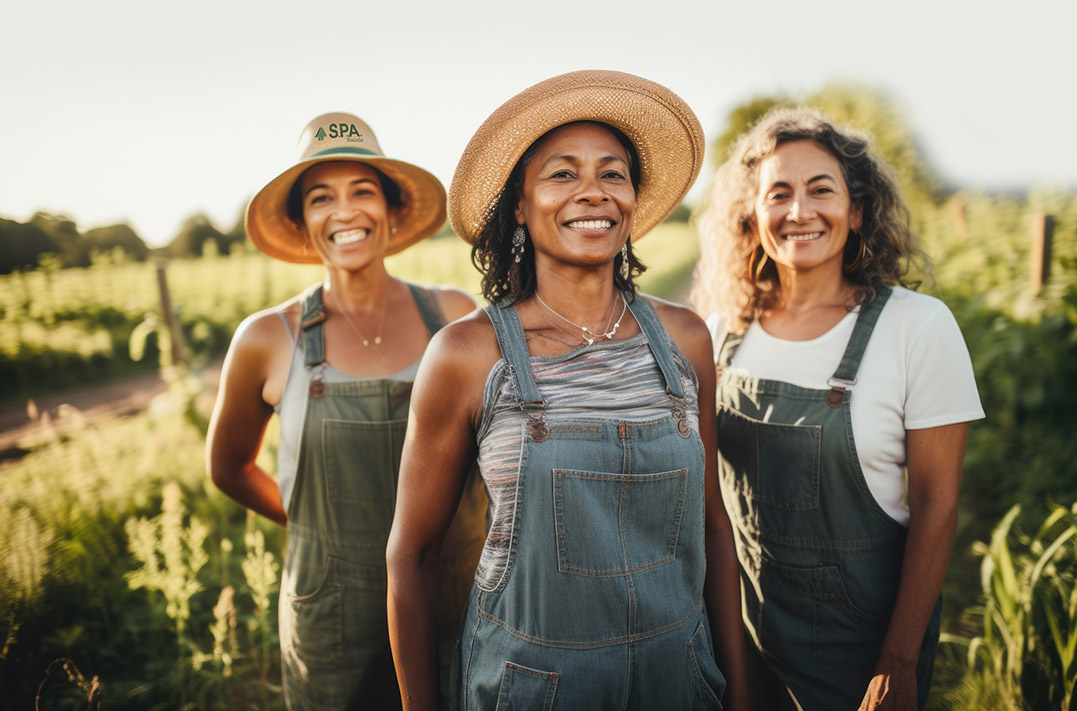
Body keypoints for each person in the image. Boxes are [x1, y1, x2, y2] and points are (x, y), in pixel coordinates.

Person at [386, 70, 749, 711]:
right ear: (519, 206)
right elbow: (413, 557)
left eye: (613, 174)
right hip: (533, 687)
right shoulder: (469, 356)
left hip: (680, 678)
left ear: (634, 200)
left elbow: (713, 528)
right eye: (561, 174)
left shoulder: (686, 340)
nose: (593, 192)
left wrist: (739, 696)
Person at [692, 107, 984, 711]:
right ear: (754, 215)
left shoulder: (917, 327)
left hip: (863, 645)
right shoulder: (721, 333)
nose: (799, 212)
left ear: (857, 211)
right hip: (742, 629)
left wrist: (897, 662)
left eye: (821, 190)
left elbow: (937, 503)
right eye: (779, 194)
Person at [205, 112, 486, 710]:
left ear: (390, 211)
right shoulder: (267, 339)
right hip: (332, 619)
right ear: (304, 226)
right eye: (321, 198)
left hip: (460, 594)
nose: (345, 212)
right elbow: (228, 468)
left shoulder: (455, 316)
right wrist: (321, 533)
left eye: (363, 191)